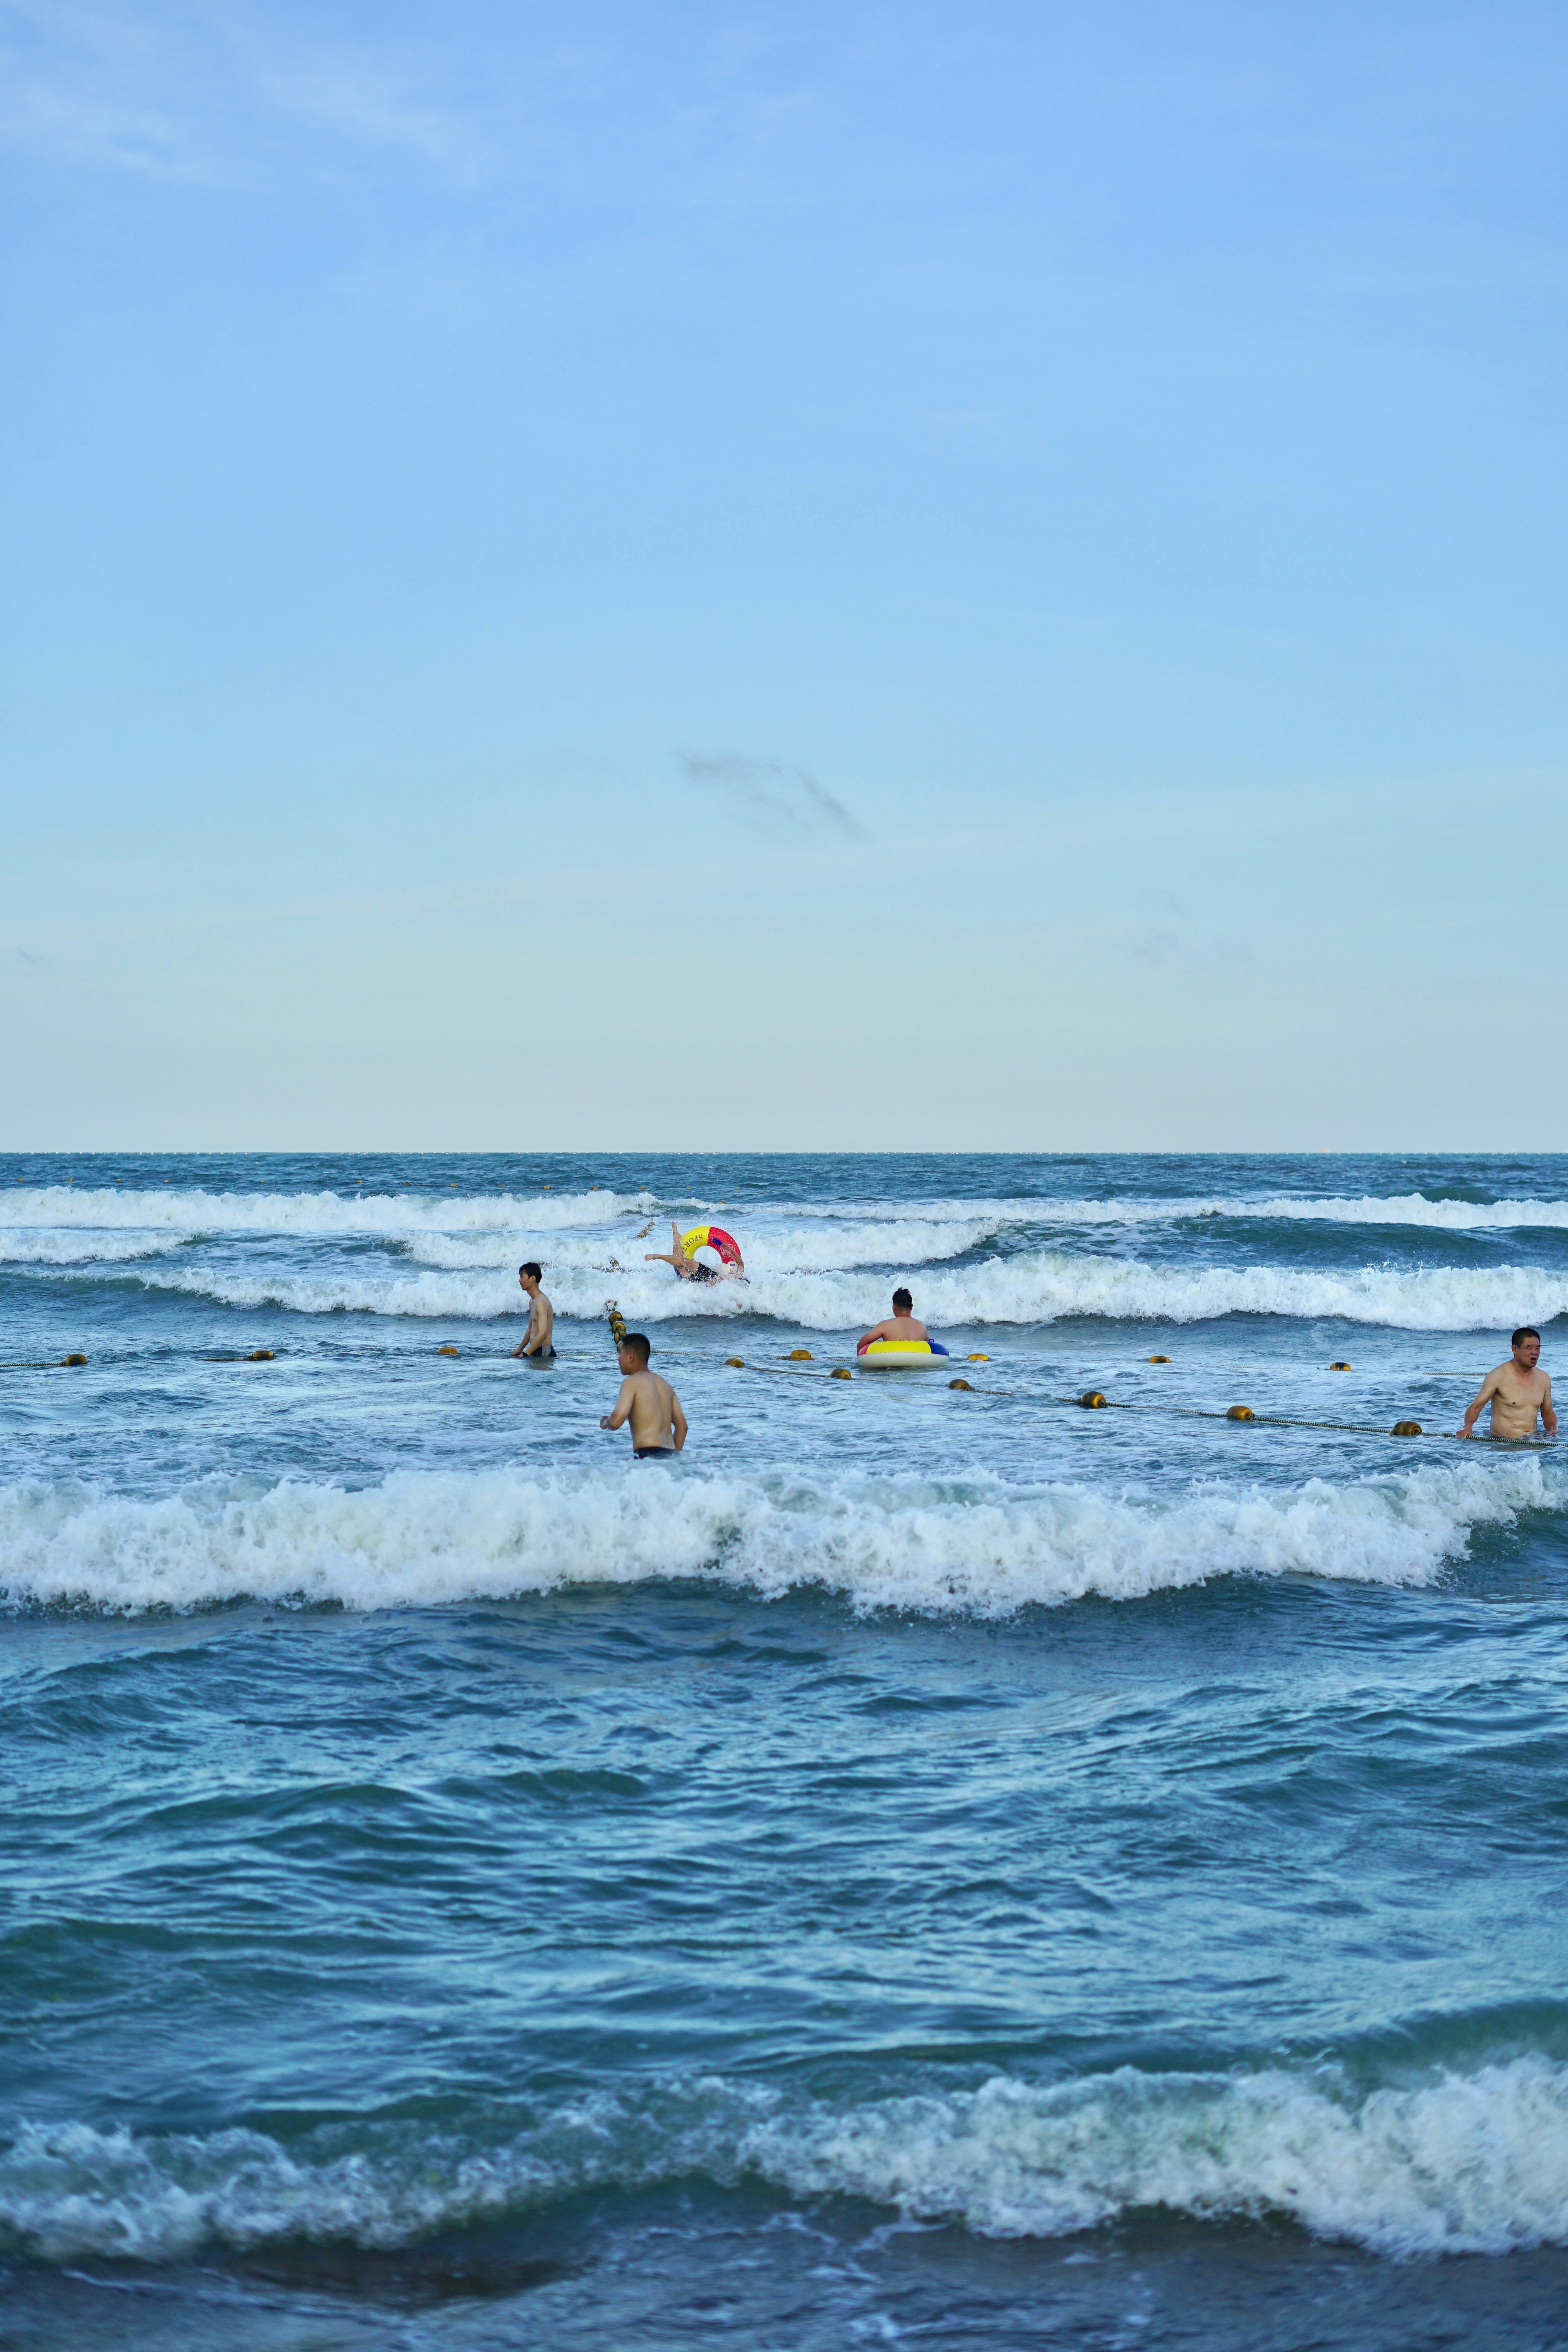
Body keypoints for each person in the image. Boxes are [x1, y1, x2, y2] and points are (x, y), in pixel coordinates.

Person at [1457, 1326, 1557, 1439]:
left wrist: (1554, 1429)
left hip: (1533, 1443)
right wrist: (1467, 1428)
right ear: (1515, 1349)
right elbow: (1475, 1408)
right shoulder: (1499, 1376)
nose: (1535, 1352)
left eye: (1538, 1348)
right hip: (1504, 1447)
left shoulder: (1543, 1378)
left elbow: (1548, 1413)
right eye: (1529, 1348)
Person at [601, 1332, 687, 1459]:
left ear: (631, 1357)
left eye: (621, 1354)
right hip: (671, 1457)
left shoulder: (632, 1382)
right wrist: (673, 1459)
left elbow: (616, 1422)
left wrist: (605, 1422)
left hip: (648, 1456)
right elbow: (682, 1427)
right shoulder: (666, 1385)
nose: (618, 1359)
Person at [644, 1221, 738, 1283]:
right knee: (685, 1262)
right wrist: (731, 1250)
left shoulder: (735, 1294)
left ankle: (676, 1239)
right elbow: (740, 1263)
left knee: (681, 1268)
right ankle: (657, 1256)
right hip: (709, 1275)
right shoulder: (738, 1276)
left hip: (700, 1284)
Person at [858, 1287, 931, 1351]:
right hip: (917, 1364)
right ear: (911, 1307)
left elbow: (861, 1344)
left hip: (892, 1364)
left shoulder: (886, 1325)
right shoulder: (923, 1328)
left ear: (894, 1307)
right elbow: (929, 1350)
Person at [512, 1263, 555, 1359]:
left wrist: (526, 1353)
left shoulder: (541, 1302)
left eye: (522, 1277)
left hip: (544, 1353)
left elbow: (543, 1333)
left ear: (532, 1278)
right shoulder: (533, 1301)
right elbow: (531, 1329)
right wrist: (520, 1350)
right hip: (535, 1351)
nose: (520, 1281)